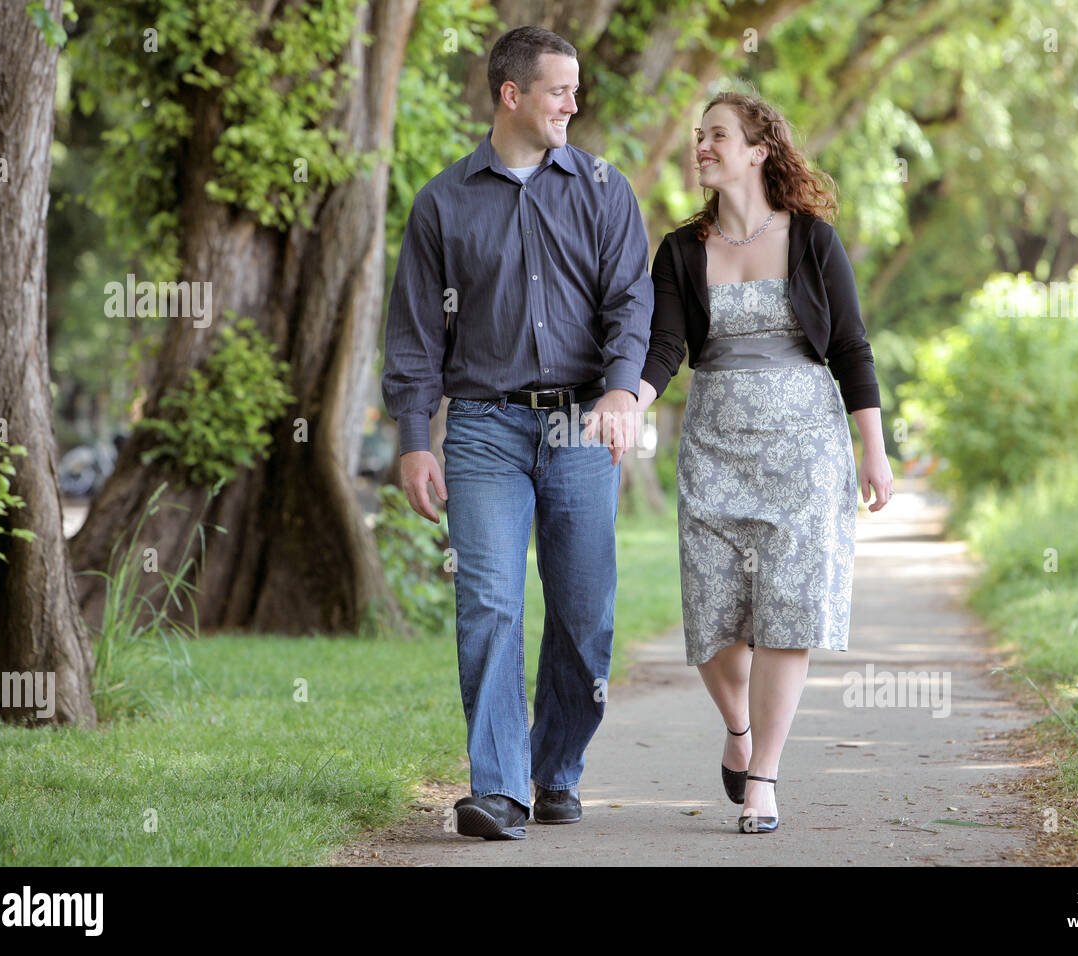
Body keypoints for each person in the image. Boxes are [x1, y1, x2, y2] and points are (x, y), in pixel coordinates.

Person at [380, 26, 653, 841]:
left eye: (574, 89)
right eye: (558, 89)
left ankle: (555, 768)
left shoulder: (605, 190)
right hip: (483, 429)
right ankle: (496, 789)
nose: (573, 103)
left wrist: (617, 392)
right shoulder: (442, 201)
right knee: (489, 601)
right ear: (511, 95)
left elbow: (629, 306)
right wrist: (412, 437)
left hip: (579, 424)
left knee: (583, 615)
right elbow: (415, 333)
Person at [622, 90, 894, 834]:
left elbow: (851, 349)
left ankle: (765, 775)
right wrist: (628, 406)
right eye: (698, 135)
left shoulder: (812, 241)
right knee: (711, 614)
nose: (701, 145)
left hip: (806, 451)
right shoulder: (681, 249)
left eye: (716, 135)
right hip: (714, 448)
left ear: (757, 150)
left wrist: (874, 450)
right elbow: (664, 349)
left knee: (787, 611)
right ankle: (737, 729)